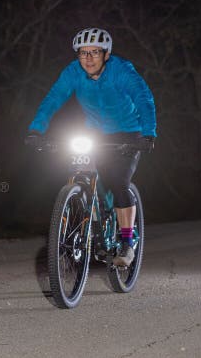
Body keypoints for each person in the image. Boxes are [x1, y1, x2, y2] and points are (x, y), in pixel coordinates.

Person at [25, 27, 157, 267]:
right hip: (94, 133)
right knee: (80, 168)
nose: (88, 59)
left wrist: (148, 134)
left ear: (106, 54)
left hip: (129, 133)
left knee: (118, 183)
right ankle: (84, 216)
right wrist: (36, 129)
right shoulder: (73, 73)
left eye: (95, 52)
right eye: (83, 53)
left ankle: (127, 242)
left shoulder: (121, 70)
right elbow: (53, 98)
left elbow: (143, 98)